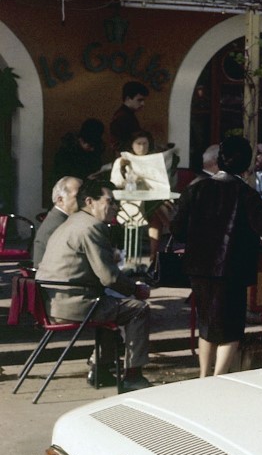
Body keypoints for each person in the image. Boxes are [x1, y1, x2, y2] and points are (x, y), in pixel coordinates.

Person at [170, 136, 262, 377]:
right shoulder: (246, 193)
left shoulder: (195, 189)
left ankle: (202, 376)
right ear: (246, 164)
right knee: (230, 330)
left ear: (219, 160)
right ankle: (218, 378)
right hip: (231, 268)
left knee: (207, 324)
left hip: (199, 266)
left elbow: (177, 228)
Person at [35, 179, 153, 391]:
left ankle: (101, 368)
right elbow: (109, 277)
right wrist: (136, 289)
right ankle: (133, 375)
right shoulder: (91, 227)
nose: (115, 206)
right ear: (90, 201)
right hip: (74, 305)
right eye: (110, 201)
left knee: (113, 305)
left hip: (55, 302)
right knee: (138, 309)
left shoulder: (71, 223)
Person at [109, 129, 177, 266]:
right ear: (132, 145)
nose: (142, 147)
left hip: (153, 198)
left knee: (158, 208)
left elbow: (166, 181)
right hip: (130, 200)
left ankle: (154, 254)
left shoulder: (155, 159)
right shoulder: (122, 161)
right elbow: (115, 182)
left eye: (145, 143)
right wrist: (127, 177)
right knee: (157, 209)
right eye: (138, 143)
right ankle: (174, 232)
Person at [32, 176, 82, 269]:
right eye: (78, 196)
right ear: (60, 200)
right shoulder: (57, 225)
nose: (84, 201)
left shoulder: (61, 219)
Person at [51, 119, 106, 185]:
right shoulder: (65, 155)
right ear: (81, 140)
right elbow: (62, 181)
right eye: (90, 145)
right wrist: (86, 179)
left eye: (95, 146)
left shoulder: (95, 152)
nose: (92, 149)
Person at [109, 81, 149, 155]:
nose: (143, 104)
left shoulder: (127, 114)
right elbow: (118, 144)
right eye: (139, 100)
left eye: (143, 100)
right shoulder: (122, 116)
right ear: (128, 99)